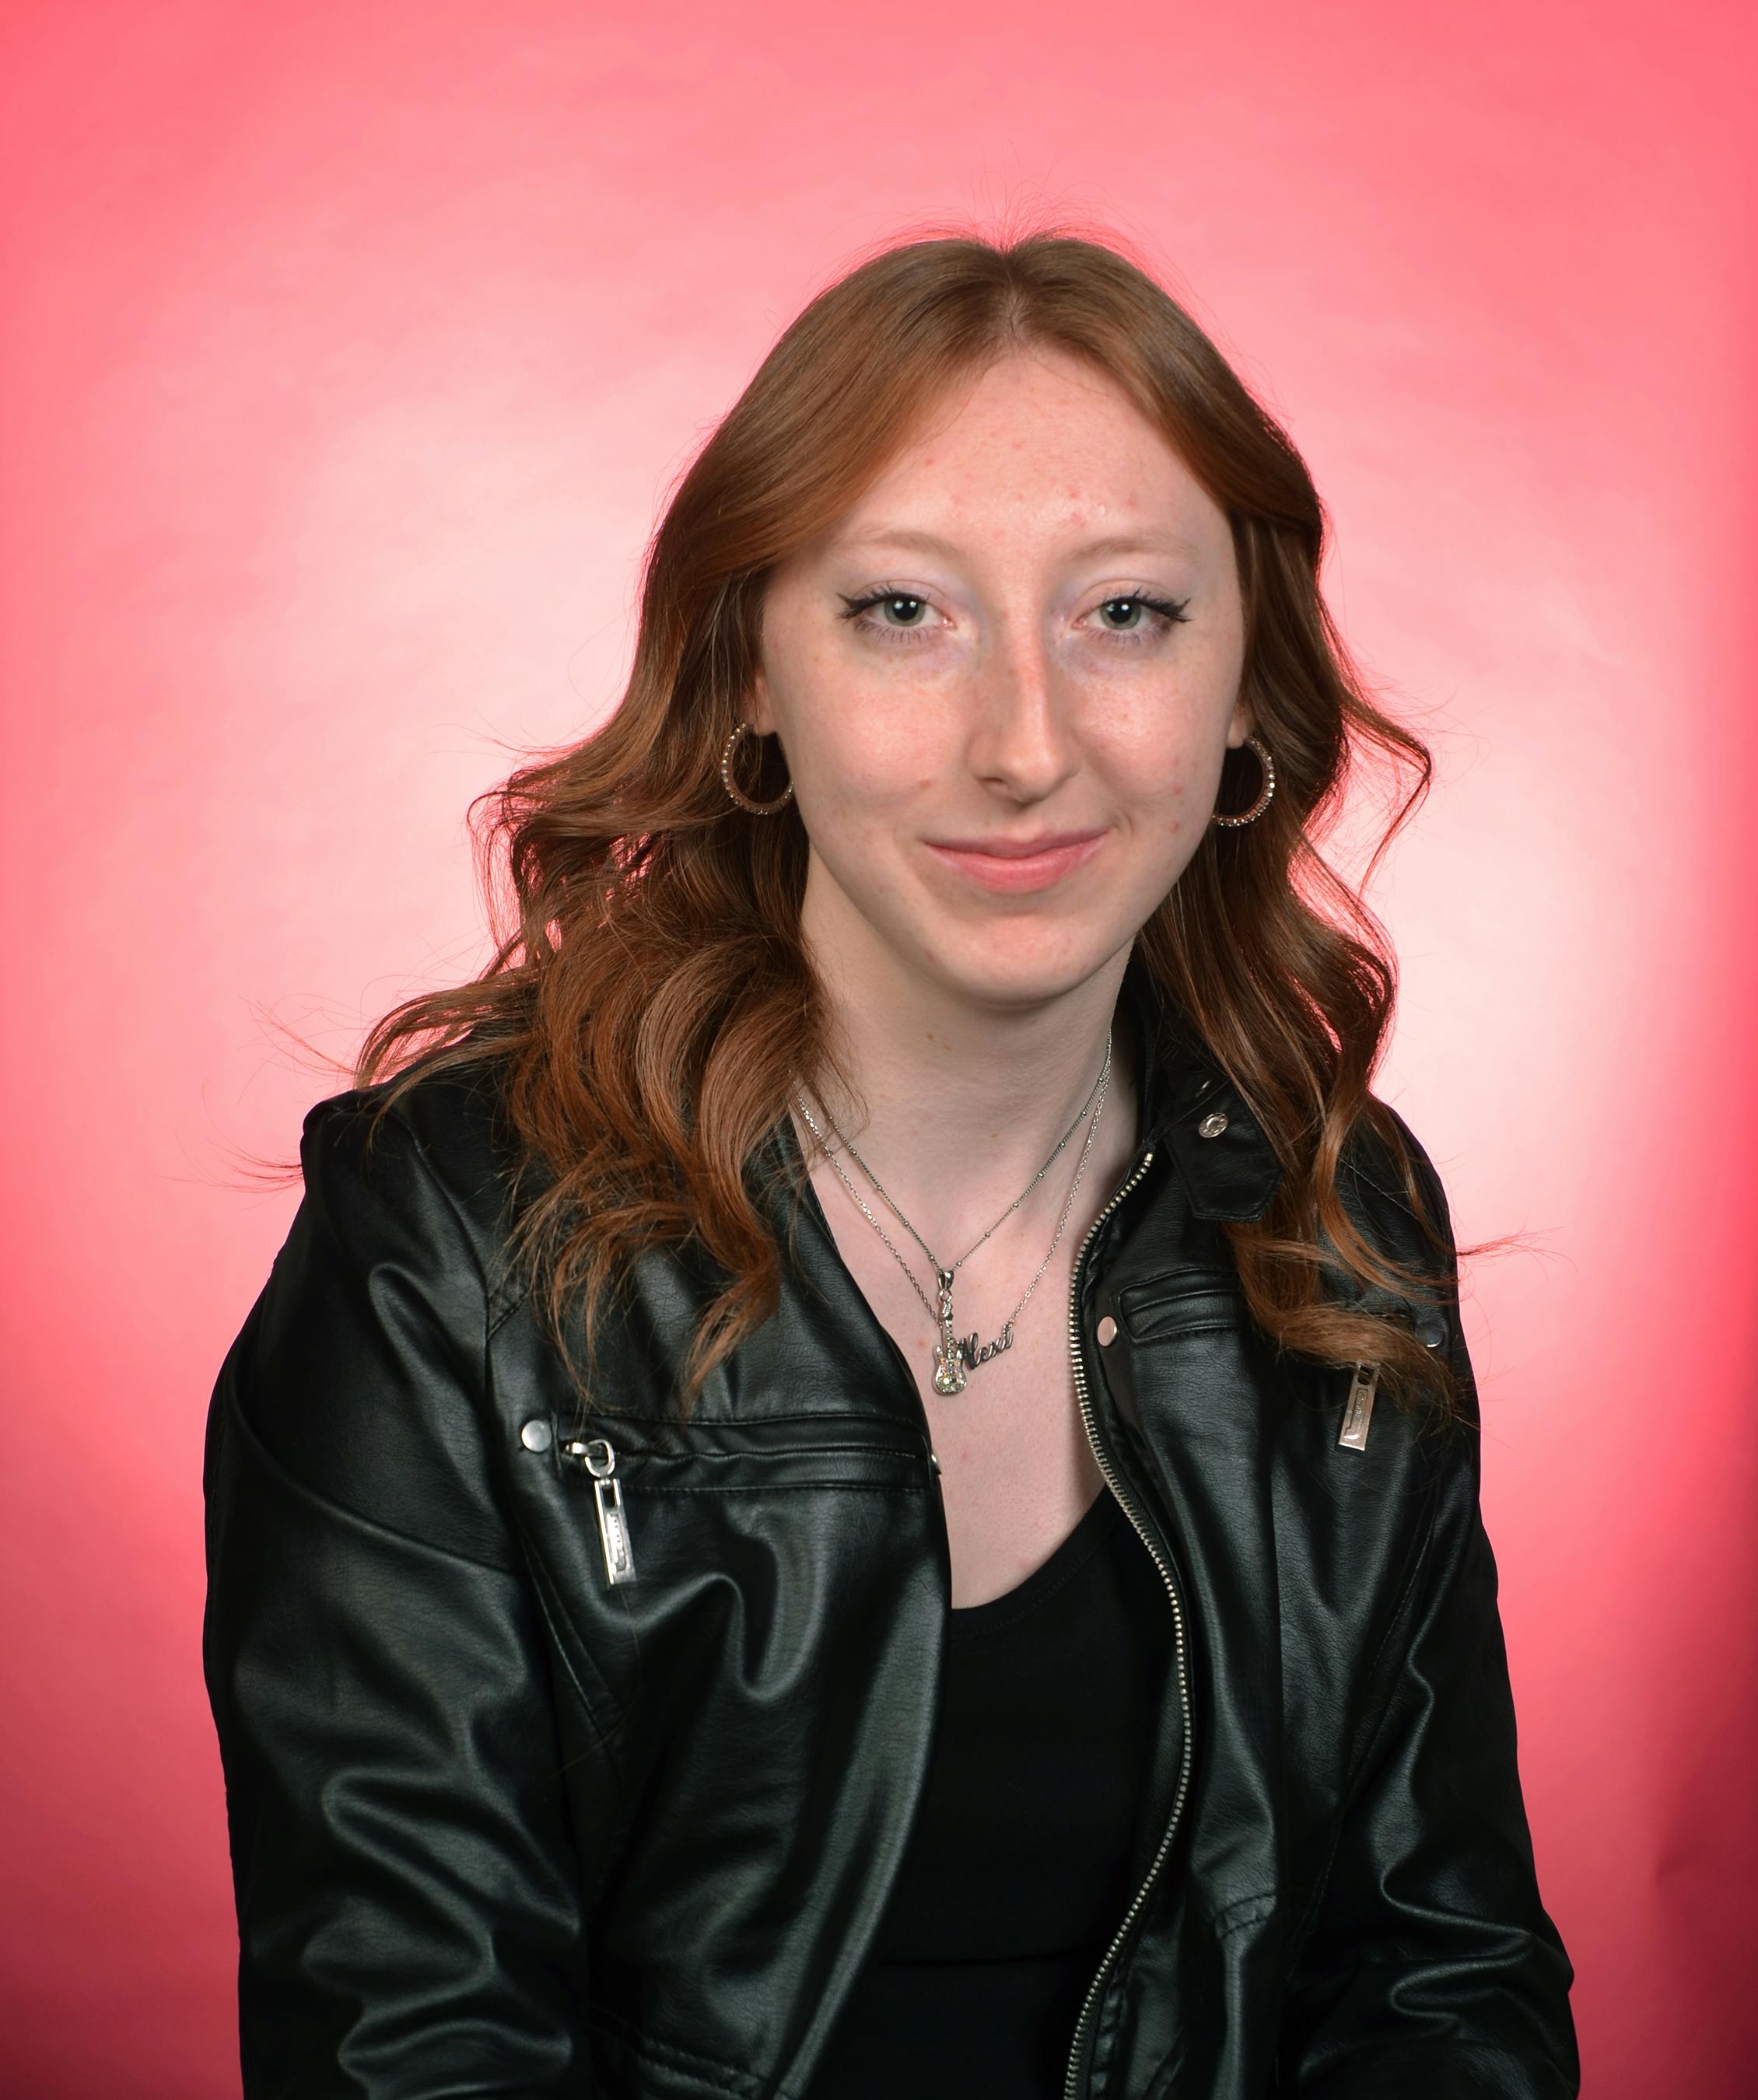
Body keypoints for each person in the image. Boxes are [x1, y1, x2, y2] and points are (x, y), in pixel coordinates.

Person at [201, 226, 1581, 2098]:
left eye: (1125, 614)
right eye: (900, 613)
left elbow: (1440, 1983)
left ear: (1248, 691)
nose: (1022, 745)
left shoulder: (1338, 1220)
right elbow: (411, 2044)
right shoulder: (445, 1242)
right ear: (745, 674)